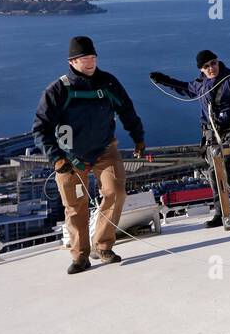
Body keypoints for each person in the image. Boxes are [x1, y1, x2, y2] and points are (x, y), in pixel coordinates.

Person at [33, 36, 146, 274]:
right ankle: (80, 256)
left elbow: (126, 109)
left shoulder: (107, 83)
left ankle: (103, 246)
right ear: (72, 61)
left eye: (93, 57)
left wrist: (138, 137)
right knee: (75, 207)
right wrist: (56, 158)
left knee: (116, 191)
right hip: (70, 159)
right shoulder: (58, 90)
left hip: (105, 150)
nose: (90, 62)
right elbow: (40, 128)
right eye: (84, 58)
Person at [151, 50, 230, 228]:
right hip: (211, 133)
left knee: (225, 164)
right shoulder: (200, 85)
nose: (211, 68)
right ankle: (221, 211)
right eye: (206, 66)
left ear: (218, 62)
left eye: (213, 63)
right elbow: (184, 88)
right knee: (212, 171)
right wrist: (164, 80)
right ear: (201, 69)